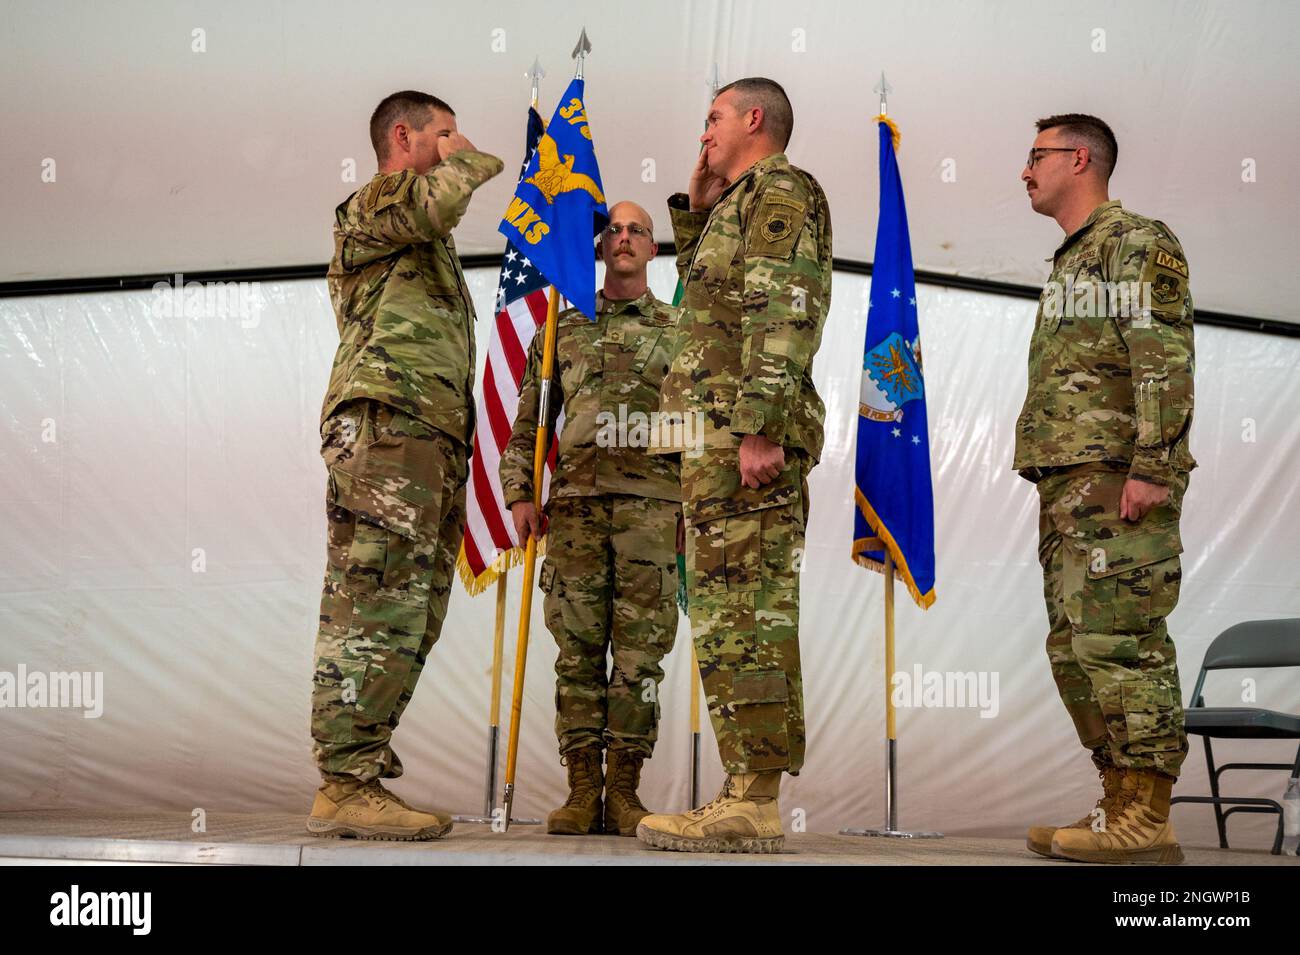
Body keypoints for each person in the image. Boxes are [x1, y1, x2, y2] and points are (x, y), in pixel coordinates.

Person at [635, 77, 833, 853]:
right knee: (725, 623)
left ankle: (754, 796)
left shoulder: (783, 189)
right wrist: (700, 205)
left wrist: (760, 427)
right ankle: (742, 789)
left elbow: (783, 306)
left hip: (741, 442)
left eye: (714, 116)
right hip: (709, 447)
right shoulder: (738, 202)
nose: (704, 130)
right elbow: (710, 306)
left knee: (750, 619)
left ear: (755, 118)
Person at [306, 90, 503, 841]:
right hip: (387, 429)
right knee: (375, 599)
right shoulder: (376, 204)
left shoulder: (424, 238)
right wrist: (473, 158)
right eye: (443, 132)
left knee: (413, 611)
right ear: (403, 136)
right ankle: (344, 779)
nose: (457, 145)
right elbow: (437, 201)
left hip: (428, 437)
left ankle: (360, 764)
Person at [1016, 113, 1195, 864]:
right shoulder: (1071, 259)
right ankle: (1120, 799)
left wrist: (1155, 465)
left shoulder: (1136, 242)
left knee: (1121, 641)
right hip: (1069, 483)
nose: (1024, 170)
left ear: (1079, 158)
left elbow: (1164, 356)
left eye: (1036, 156)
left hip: (1119, 477)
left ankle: (1149, 813)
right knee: (1074, 647)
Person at [501, 201, 683, 836]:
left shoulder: (680, 329)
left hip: (652, 517)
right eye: (615, 229)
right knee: (576, 653)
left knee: (640, 658)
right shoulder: (561, 326)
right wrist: (520, 491)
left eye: (638, 230)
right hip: (574, 511)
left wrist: (690, 502)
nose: (625, 237)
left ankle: (625, 792)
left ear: (654, 250)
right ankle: (582, 791)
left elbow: (699, 428)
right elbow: (529, 421)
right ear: (600, 247)